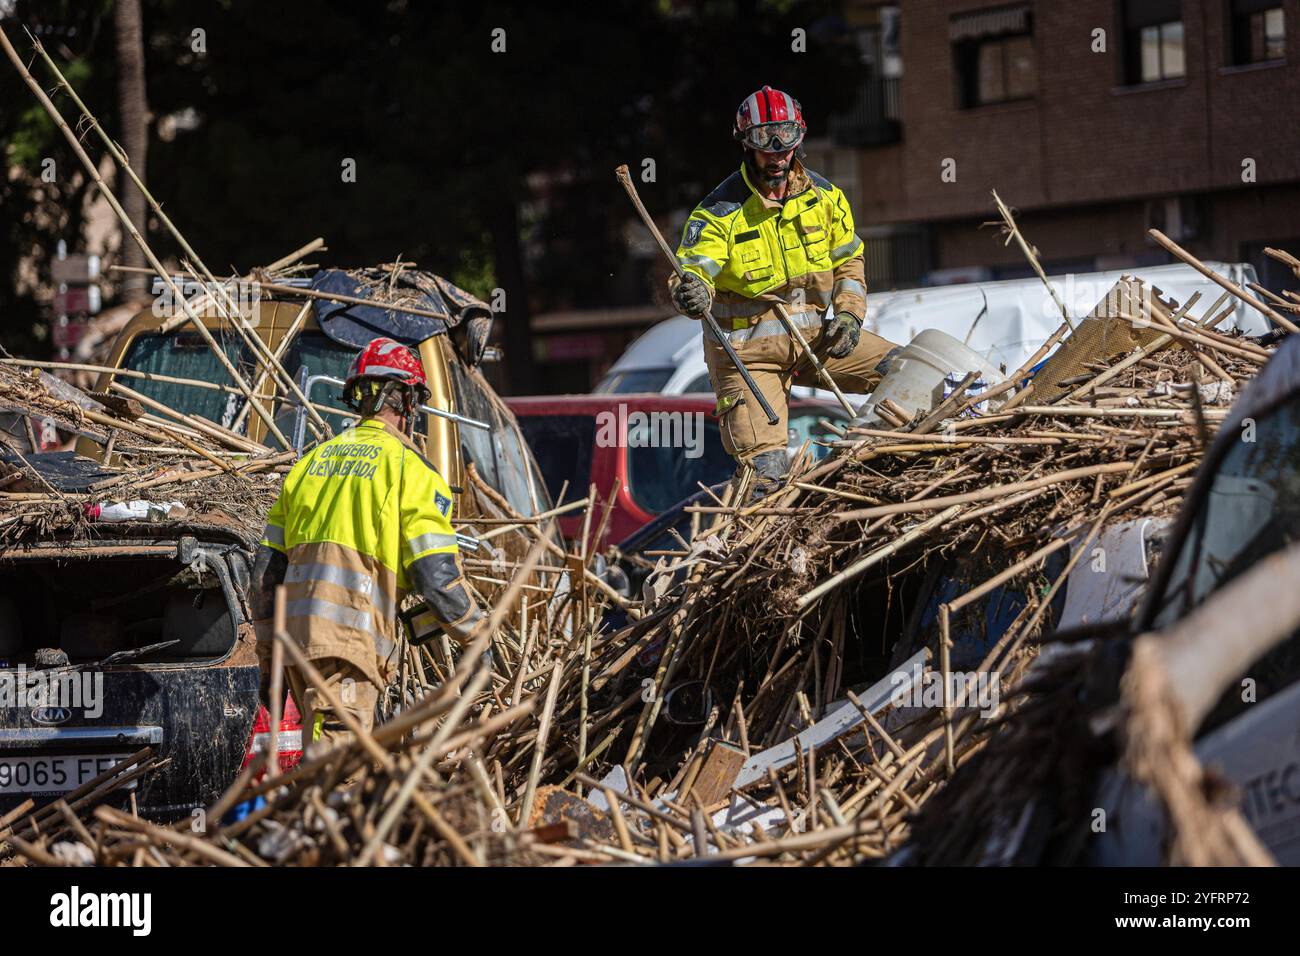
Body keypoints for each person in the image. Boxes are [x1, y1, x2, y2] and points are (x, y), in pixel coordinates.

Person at [250, 337, 484, 755]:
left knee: (348, 769)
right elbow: (436, 577)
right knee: (338, 781)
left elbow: (265, 575)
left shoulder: (309, 465)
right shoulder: (410, 470)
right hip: (347, 654)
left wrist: (270, 671)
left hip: (301, 651)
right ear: (408, 402)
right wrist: (478, 637)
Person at [670, 85, 902, 498]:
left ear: (800, 138)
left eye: (786, 139)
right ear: (745, 142)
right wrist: (691, 293)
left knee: (905, 372)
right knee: (767, 474)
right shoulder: (718, 213)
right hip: (747, 359)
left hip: (816, 339)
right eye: (764, 140)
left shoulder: (826, 199)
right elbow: (691, 272)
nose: (776, 153)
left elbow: (850, 260)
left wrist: (849, 315)